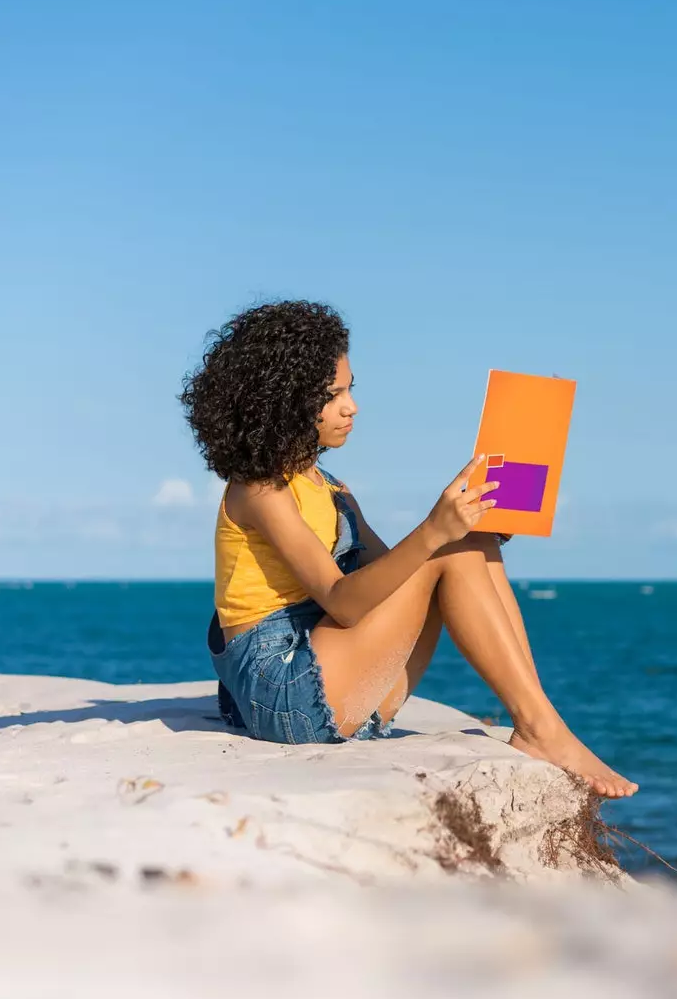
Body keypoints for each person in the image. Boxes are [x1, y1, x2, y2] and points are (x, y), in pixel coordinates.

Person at [178, 299, 636, 797]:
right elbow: (343, 601)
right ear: (284, 403)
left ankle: (540, 719)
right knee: (445, 548)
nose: (351, 406)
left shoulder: (331, 488)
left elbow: (394, 574)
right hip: (285, 693)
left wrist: (471, 524)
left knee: (467, 544)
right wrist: (435, 532)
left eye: (351, 388)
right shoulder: (260, 490)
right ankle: (541, 729)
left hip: (346, 686)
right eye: (334, 395)